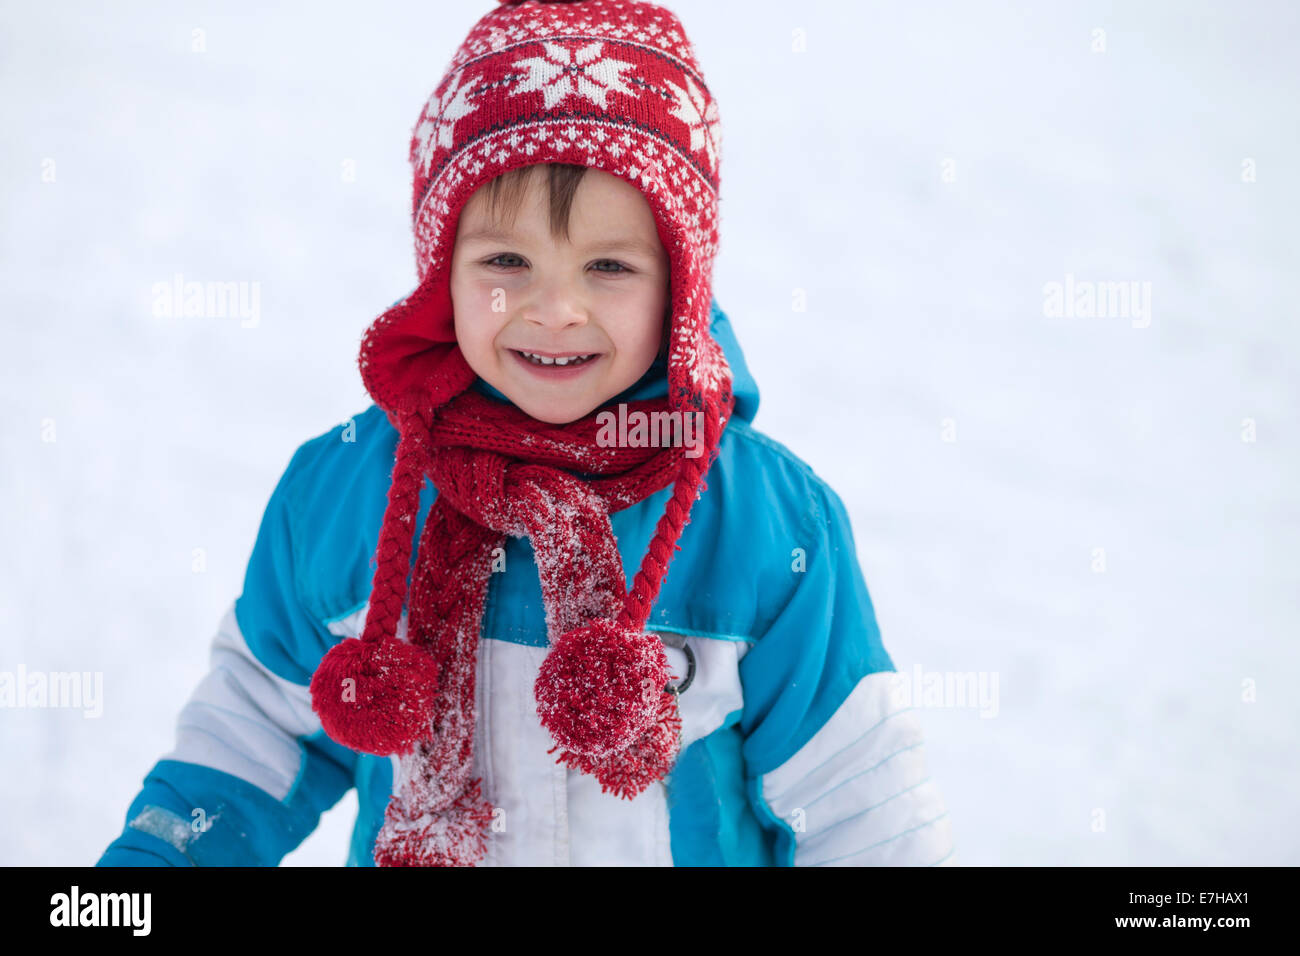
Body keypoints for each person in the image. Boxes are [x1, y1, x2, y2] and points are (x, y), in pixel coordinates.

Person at [97, 0, 956, 867]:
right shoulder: (346, 496)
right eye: (506, 263)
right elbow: (251, 733)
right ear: (443, 276)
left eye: (609, 267)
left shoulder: (767, 527)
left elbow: (861, 808)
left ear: (682, 284)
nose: (553, 309)